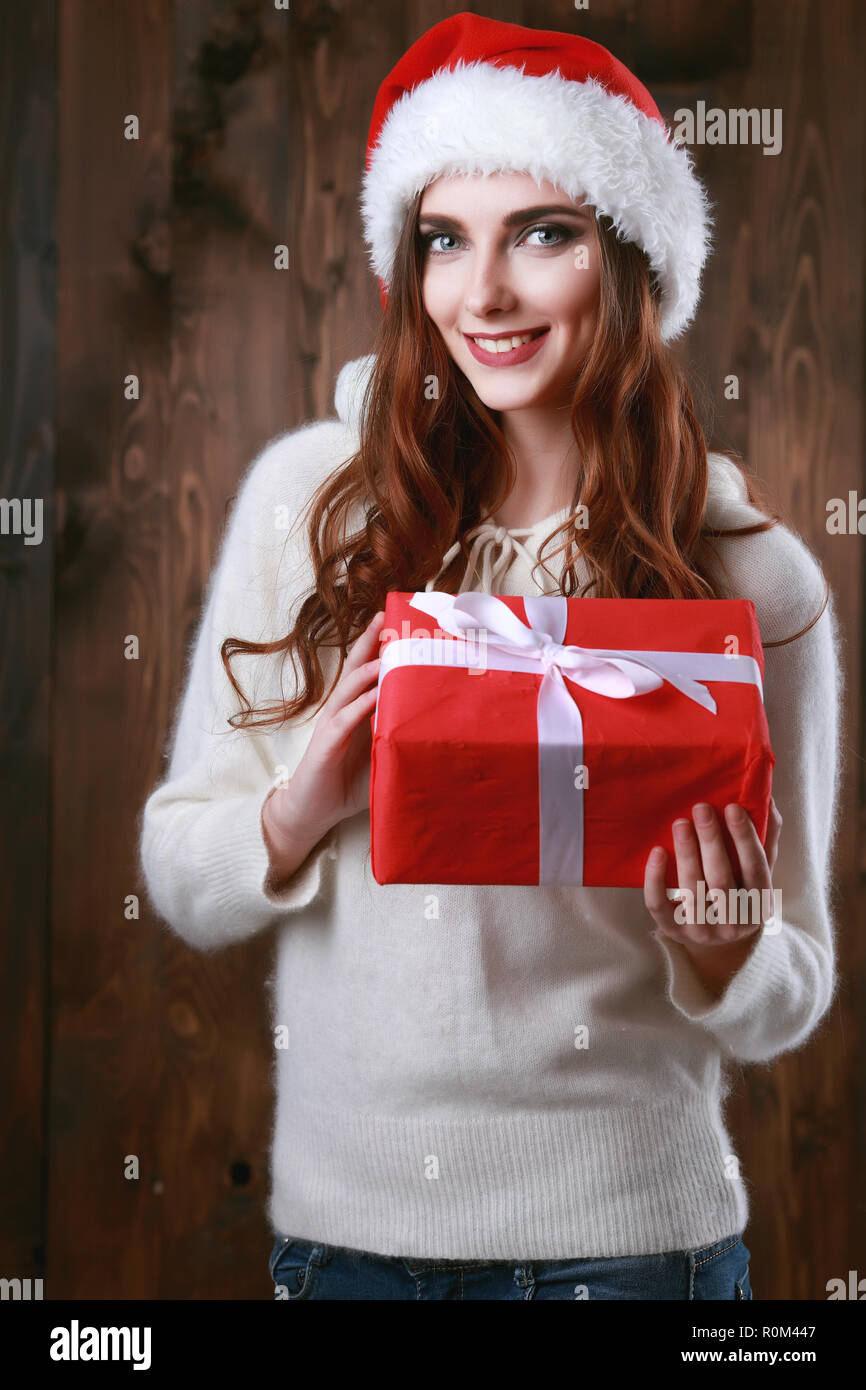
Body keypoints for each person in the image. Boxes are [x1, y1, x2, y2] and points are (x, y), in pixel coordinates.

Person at [138, 12, 843, 1300]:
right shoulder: (313, 505)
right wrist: (294, 812)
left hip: (636, 1244)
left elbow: (794, 983)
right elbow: (184, 868)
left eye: (545, 234)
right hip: (347, 1243)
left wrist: (726, 947)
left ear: (630, 263)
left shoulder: (752, 577)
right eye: (445, 238)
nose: (486, 294)